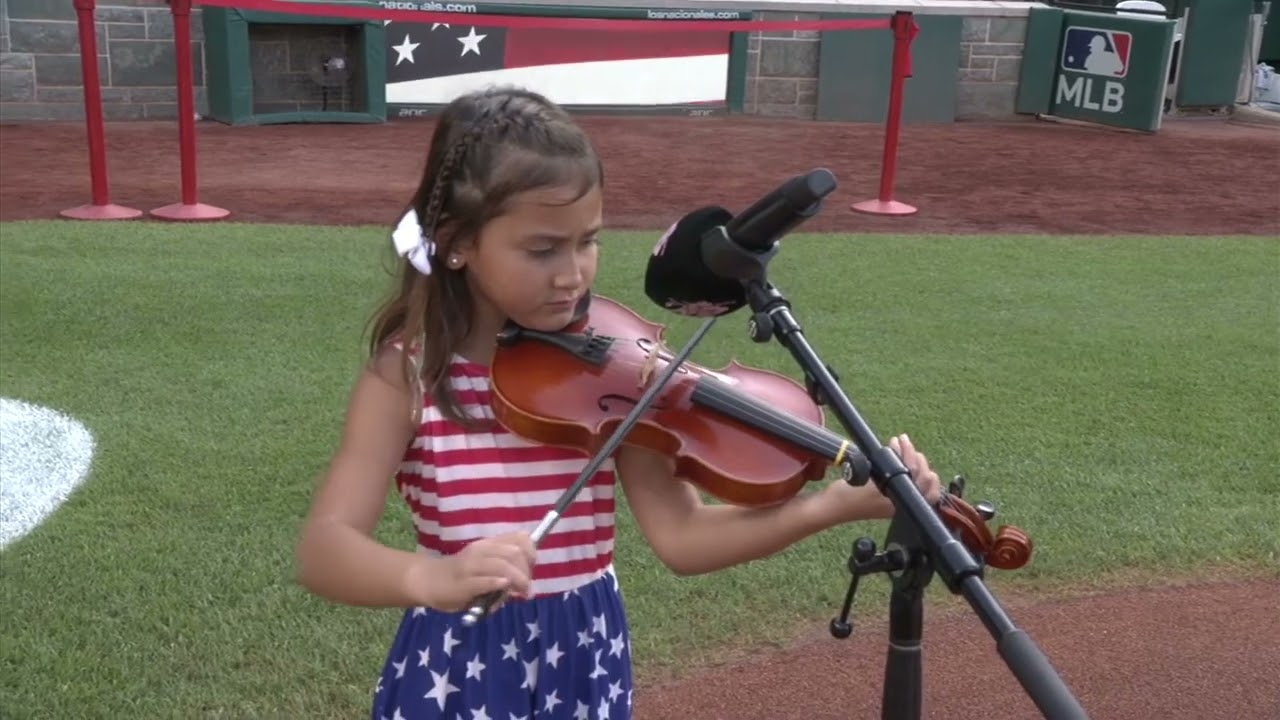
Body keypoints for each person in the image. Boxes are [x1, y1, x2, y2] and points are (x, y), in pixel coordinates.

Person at [294, 86, 943, 720]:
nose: (573, 273)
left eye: (588, 240)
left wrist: (830, 505)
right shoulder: (406, 378)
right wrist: (429, 580)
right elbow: (325, 547)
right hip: (461, 669)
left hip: (584, 656)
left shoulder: (616, 375)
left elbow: (681, 536)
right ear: (458, 242)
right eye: (542, 248)